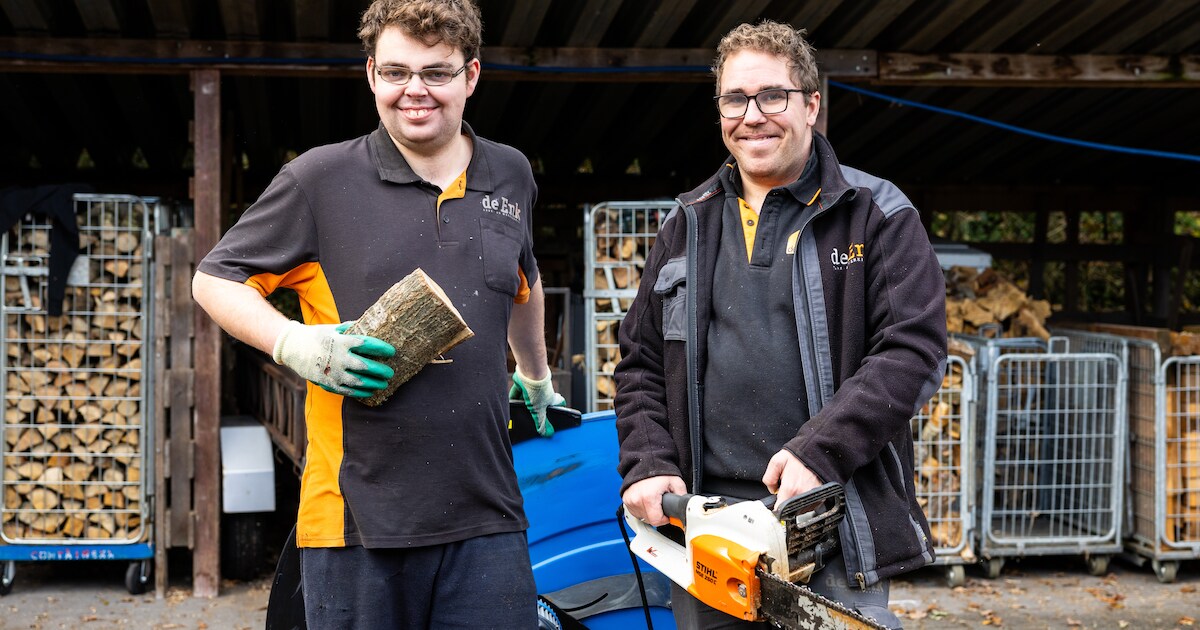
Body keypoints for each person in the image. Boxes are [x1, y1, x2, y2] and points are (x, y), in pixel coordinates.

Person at [191, 0, 563, 626]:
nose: (414, 91)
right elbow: (214, 279)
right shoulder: (320, 179)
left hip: (487, 517)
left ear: (471, 76)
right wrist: (293, 343)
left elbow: (525, 282)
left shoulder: (511, 174)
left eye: (436, 73)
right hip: (355, 525)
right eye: (396, 73)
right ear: (371, 75)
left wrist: (536, 373)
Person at [615, 20, 947, 629]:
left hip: (829, 521)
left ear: (812, 105)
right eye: (735, 99)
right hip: (707, 528)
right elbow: (638, 363)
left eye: (773, 95)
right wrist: (646, 460)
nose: (753, 115)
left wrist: (821, 453)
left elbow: (913, 351)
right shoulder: (687, 222)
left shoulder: (875, 214)